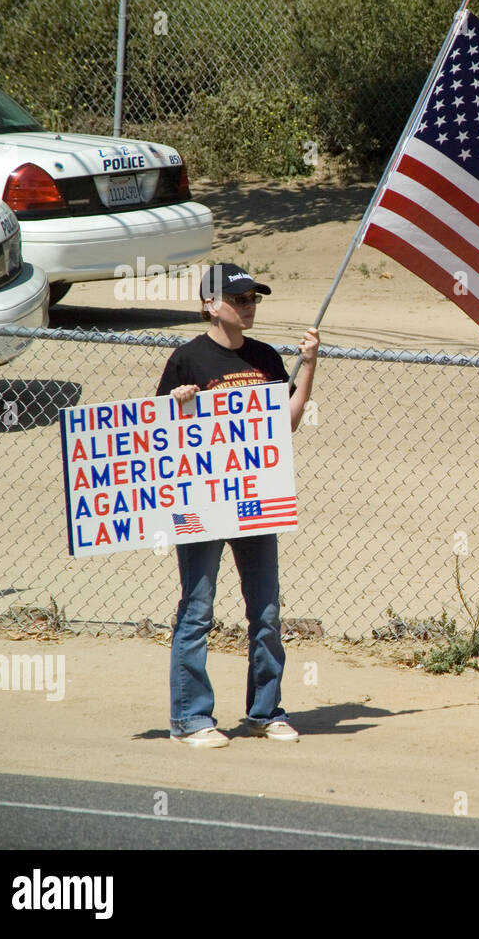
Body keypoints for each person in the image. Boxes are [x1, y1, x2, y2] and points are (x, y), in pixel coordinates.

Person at [157, 263, 320, 748]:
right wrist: (178, 403)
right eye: (239, 298)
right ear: (211, 305)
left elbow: (285, 423)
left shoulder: (267, 357)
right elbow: (155, 438)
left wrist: (308, 363)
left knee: (266, 611)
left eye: (253, 298)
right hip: (201, 504)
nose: (248, 306)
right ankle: (190, 718)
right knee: (198, 609)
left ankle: (265, 712)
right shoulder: (188, 359)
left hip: (255, 500)